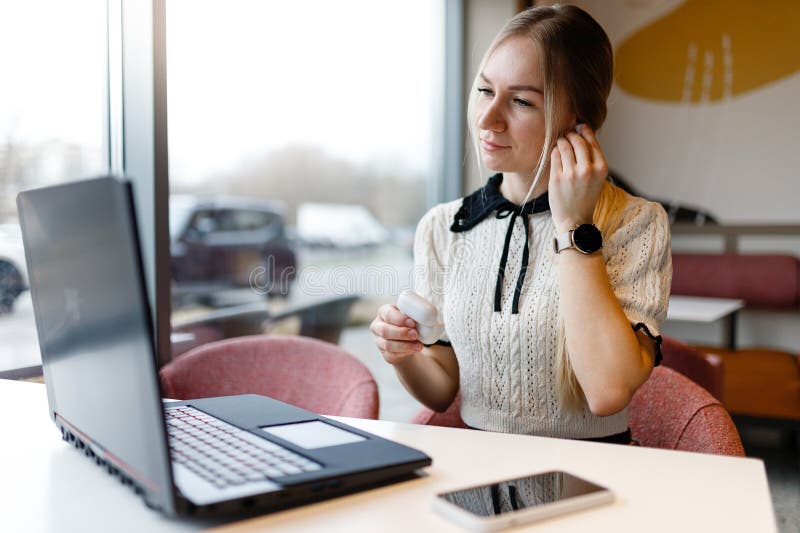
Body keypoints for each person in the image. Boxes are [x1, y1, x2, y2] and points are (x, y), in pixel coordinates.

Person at [370, 4, 671, 443]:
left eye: (521, 101)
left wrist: (573, 227)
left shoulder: (637, 223)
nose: (488, 120)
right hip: (482, 474)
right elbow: (441, 390)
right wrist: (402, 355)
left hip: (593, 475)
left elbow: (607, 392)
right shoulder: (443, 226)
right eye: (485, 91)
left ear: (579, 119)